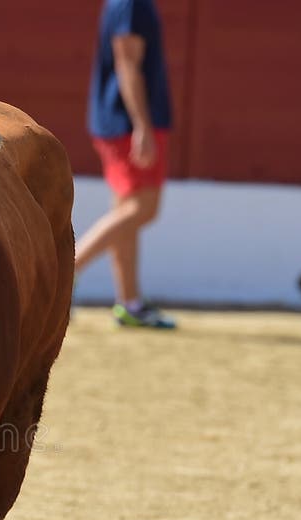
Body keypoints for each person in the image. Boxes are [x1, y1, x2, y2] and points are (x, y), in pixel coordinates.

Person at [75, 0, 176, 329]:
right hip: (128, 123)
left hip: (117, 120)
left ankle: (130, 302)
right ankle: (68, 270)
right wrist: (142, 125)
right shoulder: (132, 3)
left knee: (126, 211)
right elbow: (127, 62)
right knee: (144, 209)